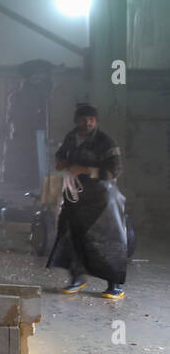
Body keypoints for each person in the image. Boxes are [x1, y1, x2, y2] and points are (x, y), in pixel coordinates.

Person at [49, 104, 129, 299]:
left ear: (96, 121)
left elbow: (114, 171)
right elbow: (61, 154)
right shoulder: (71, 137)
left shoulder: (105, 141)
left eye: (91, 119)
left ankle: (115, 284)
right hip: (77, 193)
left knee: (107, 239)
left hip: (103, 197)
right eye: (84, 119)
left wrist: (84, 169)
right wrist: (63, 162)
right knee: (71, 234)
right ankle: (77, 277)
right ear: (77, 121)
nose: (87, 123)